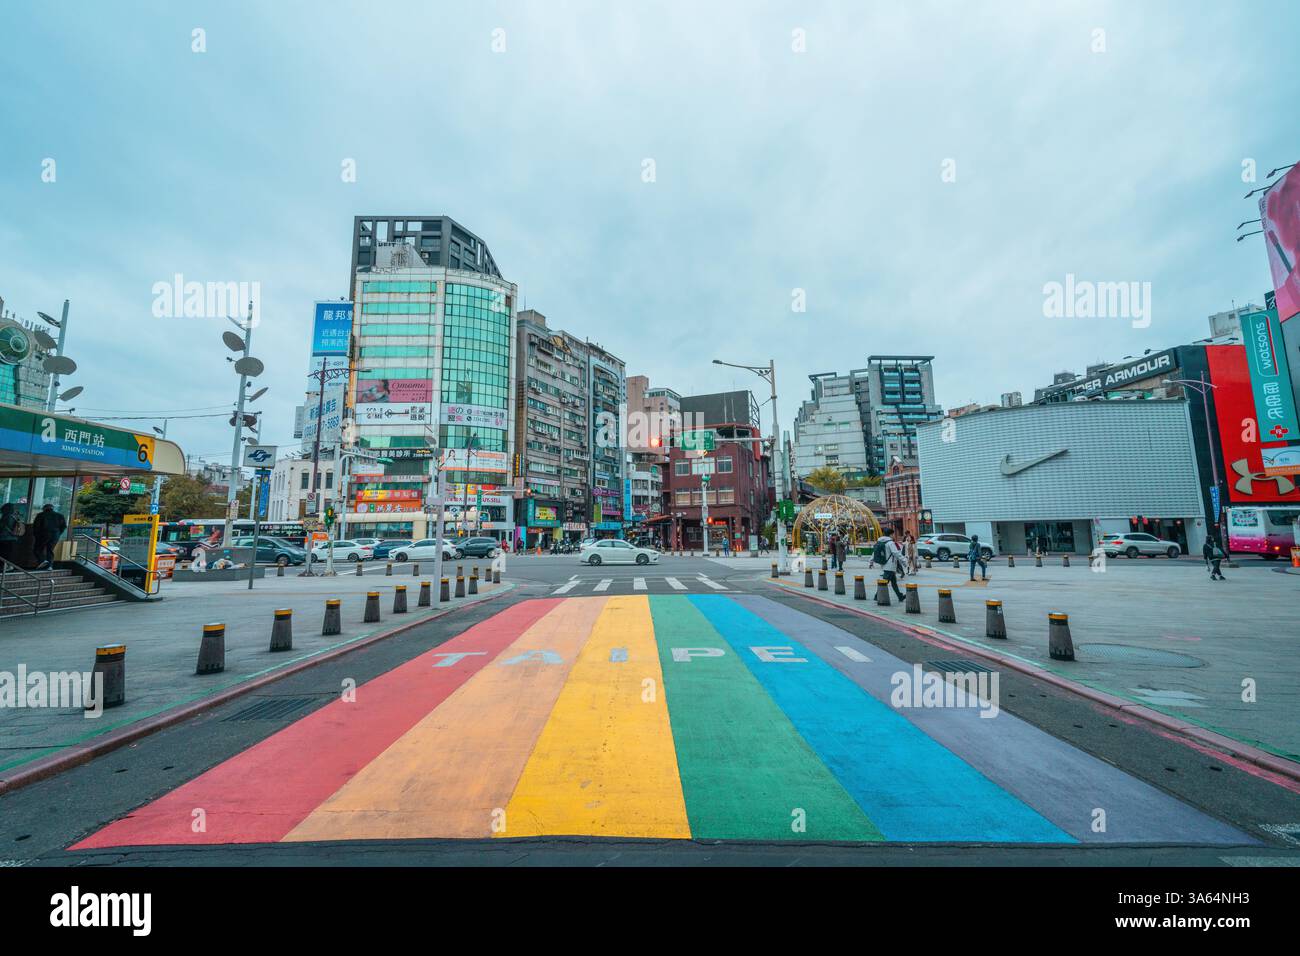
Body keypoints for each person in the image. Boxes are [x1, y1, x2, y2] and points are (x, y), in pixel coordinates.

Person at [32, 503, 67, 570]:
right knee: (50, 550)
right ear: (52, 508)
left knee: (37, 549)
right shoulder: (59, 515)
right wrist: (58, 533)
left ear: (44, 509)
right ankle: (49, 566)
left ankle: (42, 561)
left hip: (43, 534)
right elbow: (64, 526)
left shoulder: (40, 515)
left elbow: (36, 527)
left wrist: (36, 536)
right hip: (55, 535)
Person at [874, 532, 906, 601]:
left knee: (893, 583)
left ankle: (900, 596)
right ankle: (877, 596)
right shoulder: (890, 543)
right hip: (890, 565)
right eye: (893, 534)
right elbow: (896, 553)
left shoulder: (881, 542)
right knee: (885, 582)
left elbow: (875, 552)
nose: (894, 536)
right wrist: (904, 561)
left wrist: (871, 561)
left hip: (886, 564)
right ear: (890, 535)